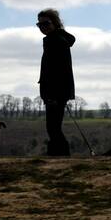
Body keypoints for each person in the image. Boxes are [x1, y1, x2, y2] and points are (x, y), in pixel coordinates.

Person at [36, 8, 76, 157]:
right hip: (58, 91)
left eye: (45, 23)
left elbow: (56, 70)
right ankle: (57, 155)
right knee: (53, 127)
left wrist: (51, 93)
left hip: (55, 91)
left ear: (55, 23)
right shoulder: (57, 38)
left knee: (53, 127)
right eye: (39, 24)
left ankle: (61, 157)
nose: (42, 27)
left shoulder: (55, 40)